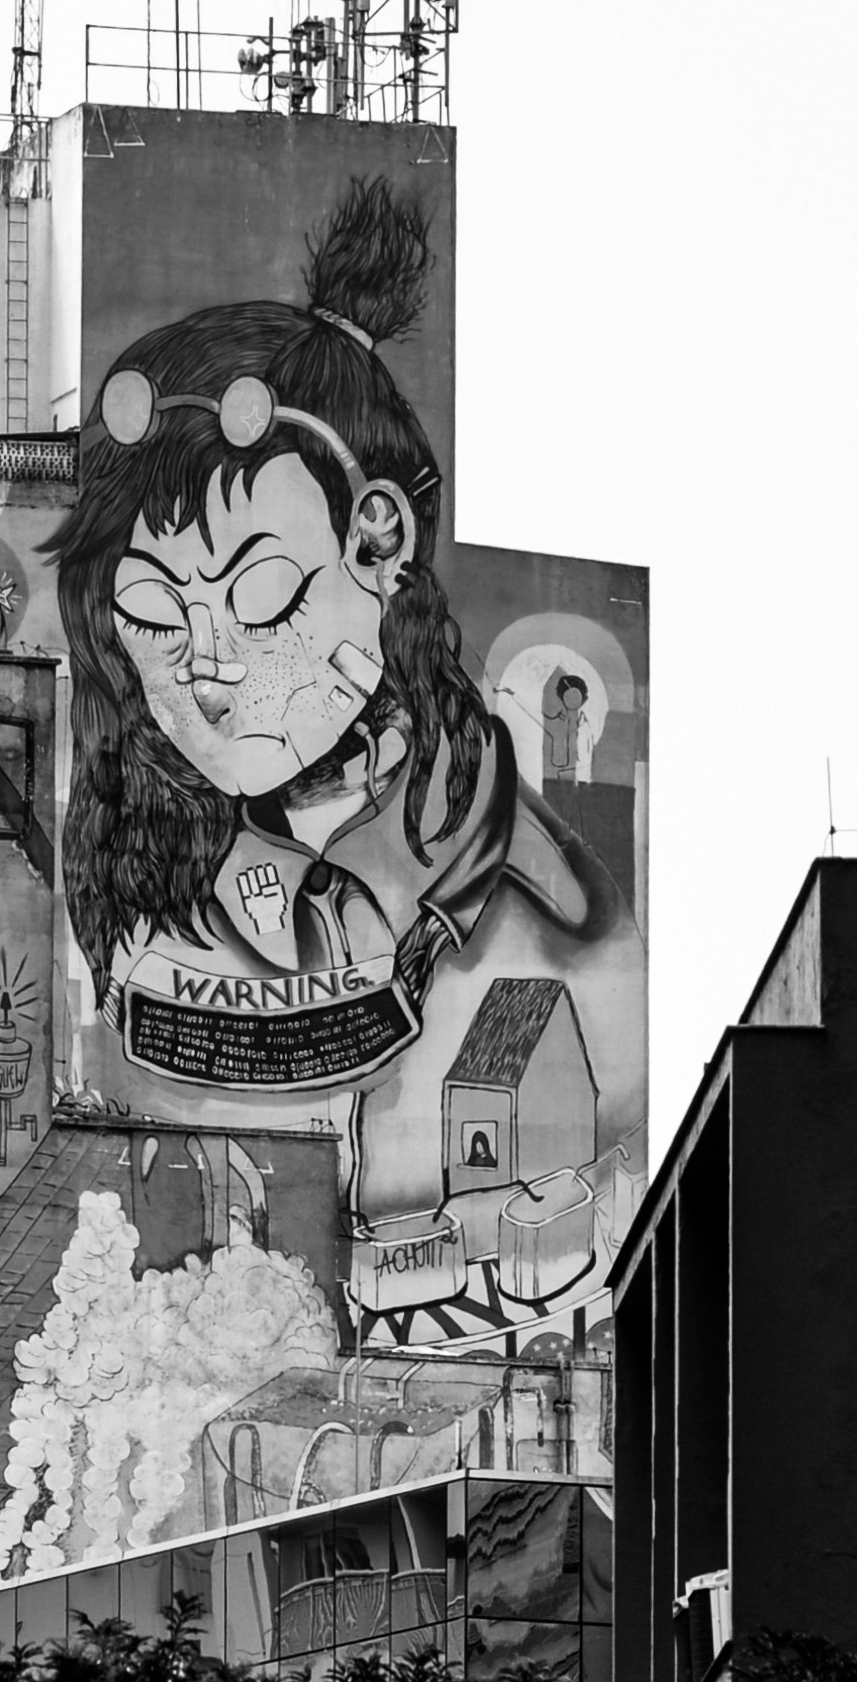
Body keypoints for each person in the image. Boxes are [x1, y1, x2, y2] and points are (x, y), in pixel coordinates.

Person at [56, 177, 601, 1096]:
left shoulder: (464, 804)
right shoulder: (140, 846)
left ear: (379, 542)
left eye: (264, 596)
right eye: (152, 610)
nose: (207, 673)